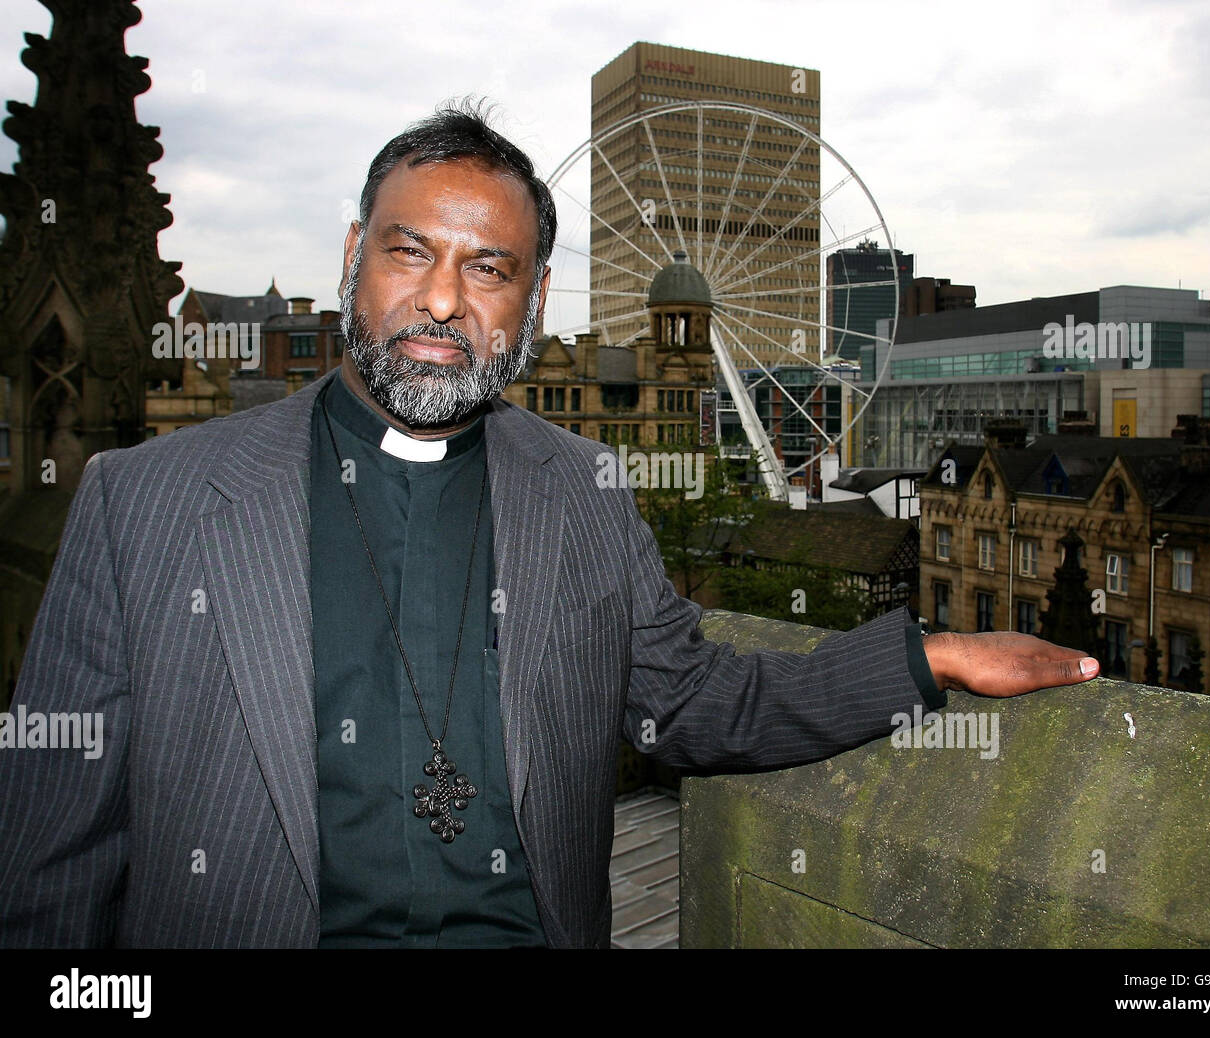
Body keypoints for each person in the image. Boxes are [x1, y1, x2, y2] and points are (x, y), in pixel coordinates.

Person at [0, 99, 1099, 949]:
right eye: (409, 250)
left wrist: (927, 655)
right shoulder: (147, 502)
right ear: (352, 256)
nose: (442, 300)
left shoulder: (584, 489)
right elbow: (50, 857)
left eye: (489, 268)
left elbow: (691, 702)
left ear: (530, 303)